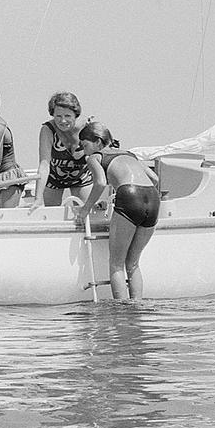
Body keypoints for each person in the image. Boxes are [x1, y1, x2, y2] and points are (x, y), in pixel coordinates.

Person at [76, 121, 160, 300]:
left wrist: (85, 209)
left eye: (85, 145)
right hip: (153, 198)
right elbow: (154, 178)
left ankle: (122, 312)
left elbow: (100, 183)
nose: (84, 151)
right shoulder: (129, 154)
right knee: (133, 263)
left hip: (129, 196)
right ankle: (137, 305)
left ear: (98, 142)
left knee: (116, 265)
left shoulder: (95, 158)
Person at [30, 92, 92, 210]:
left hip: (82, 177)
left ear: (75, 115)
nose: (63, 121)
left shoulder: (87, 127)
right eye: (58, 116)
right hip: (55, 178)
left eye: (67, 116)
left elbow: (99, 157)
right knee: (52, 215)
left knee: (86, 215)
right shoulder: (47, 130)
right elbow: (44, 164)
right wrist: (38, 199)